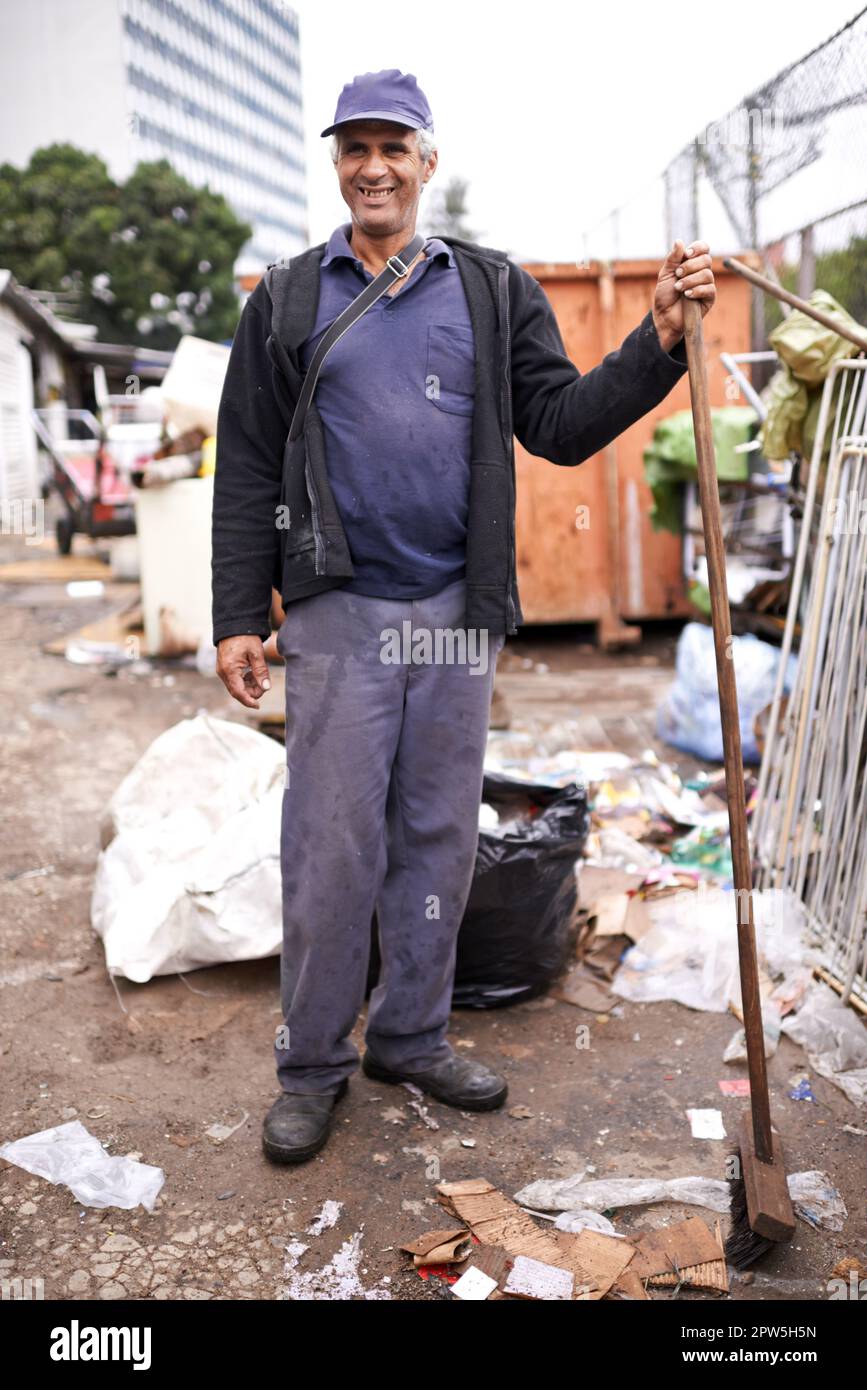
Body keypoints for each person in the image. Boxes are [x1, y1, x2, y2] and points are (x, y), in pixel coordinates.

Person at [211, 69, 717, 1163]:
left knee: (438, 836)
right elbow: (246, 461)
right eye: (355, 148)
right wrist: (235, 611)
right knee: (331, 844)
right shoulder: (289, 296)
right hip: (342, 611)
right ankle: (312, 1067)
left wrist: (659, 341)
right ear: (338, 165)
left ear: (428, 162)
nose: (374, 166)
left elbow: (562, 423)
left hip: (453, 608)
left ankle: (411, 1035)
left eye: (395, 146)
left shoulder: (489, 289)